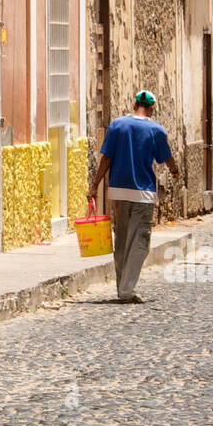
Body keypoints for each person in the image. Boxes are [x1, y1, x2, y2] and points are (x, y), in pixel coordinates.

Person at [89, 89, 179, 304]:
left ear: (133, 104)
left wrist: (94, 185)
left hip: (118, 191)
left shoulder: (117, 125)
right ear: (152, 108)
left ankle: (122, 287)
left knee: (121, 240)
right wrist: (175, 171)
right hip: (143, 193)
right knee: (140, 241)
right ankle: (127, 290)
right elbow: (166, 158)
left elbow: (105, 159)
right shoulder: (156, 130)